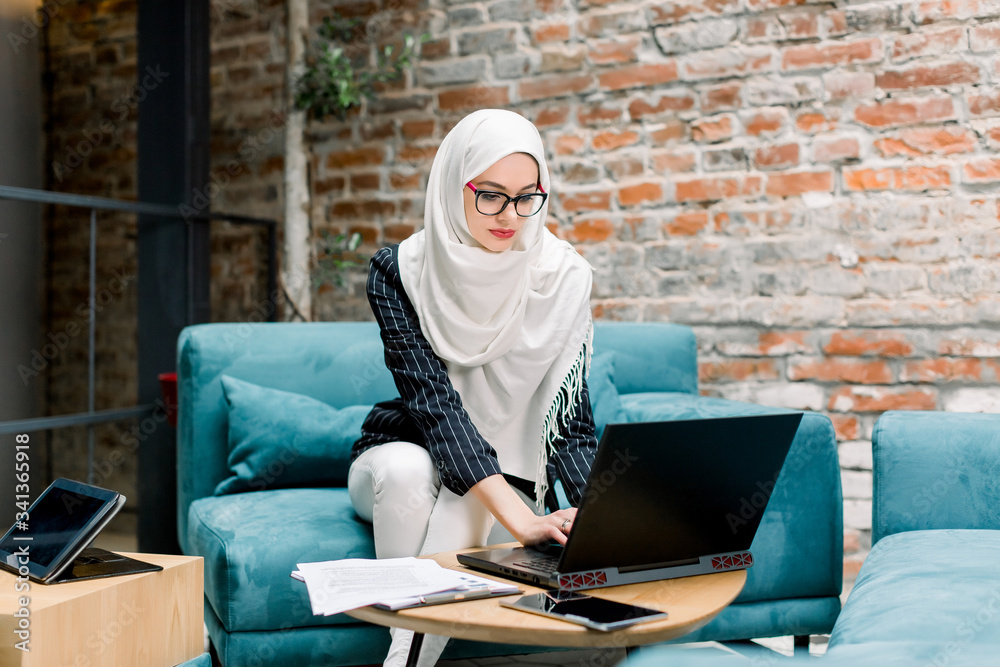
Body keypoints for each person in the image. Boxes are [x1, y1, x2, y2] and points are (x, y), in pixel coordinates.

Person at [347, 108, 599, 667]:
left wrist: (594, 518)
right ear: (453, 184)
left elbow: (570, 418)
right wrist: (524, 521)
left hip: (502, 472)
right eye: (489, 194)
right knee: (413, 472)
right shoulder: (400, 270)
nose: (509, 215)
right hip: (400, 456)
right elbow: (436, 409)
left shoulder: (564, 277)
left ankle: (404, 658)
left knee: (466, 498)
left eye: (526, 195)